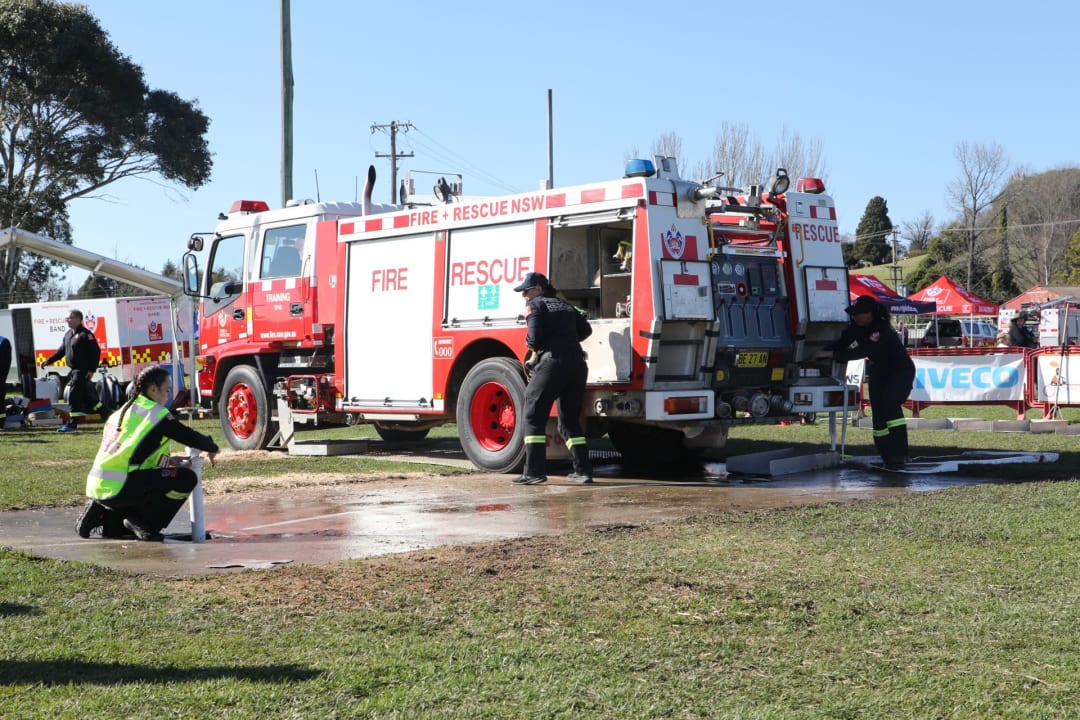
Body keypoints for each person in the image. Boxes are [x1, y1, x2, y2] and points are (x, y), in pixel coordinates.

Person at [75, 365, 219, 541]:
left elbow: (136, 455)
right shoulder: (155, 413)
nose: (169, 395)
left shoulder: (123, 412)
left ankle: (102, 513)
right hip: (121, 487)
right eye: (167, 390)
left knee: (116, 532)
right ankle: (146, 524)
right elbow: (187, 436)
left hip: (100, 486)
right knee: (186, 478)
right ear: (153, 389)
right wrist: (212, 446)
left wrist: (170, 461)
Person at [815, 295, 916, 469]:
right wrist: (822, 351)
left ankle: (901, 454)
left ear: (869, 314)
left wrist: (832, 355)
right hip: (879, 372)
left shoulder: (880, 329)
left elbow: (863, 351)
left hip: (899, 372)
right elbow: (842, 343)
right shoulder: (858, 327)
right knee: (879, 415)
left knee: (890, 406)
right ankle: (888, 457)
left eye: (858, 314)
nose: (854, 317)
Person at [512, 272, 593, 485]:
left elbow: (533, 338)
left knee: (532, 415)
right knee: (569, 420)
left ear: (539, 288)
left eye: (526, 290)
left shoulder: (536, 306)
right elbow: (586, 330)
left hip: (552, 364)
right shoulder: (565, 305)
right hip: (577, 365)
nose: (524, 296)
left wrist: (536, 344)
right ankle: (583, 471)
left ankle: (534, 472)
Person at [40, 309, 101, 432]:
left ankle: (72, 425)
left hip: (82, 370)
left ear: (78, 320)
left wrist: (91, 370)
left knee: (73, 396)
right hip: (73, 370)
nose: (66, 320)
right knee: (88, 397)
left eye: (69, 318)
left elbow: (96, 352)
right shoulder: (68, 334)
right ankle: (106, 413)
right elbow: (61, 350)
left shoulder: (85, 334)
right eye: (66, 318)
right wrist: (49, 360)